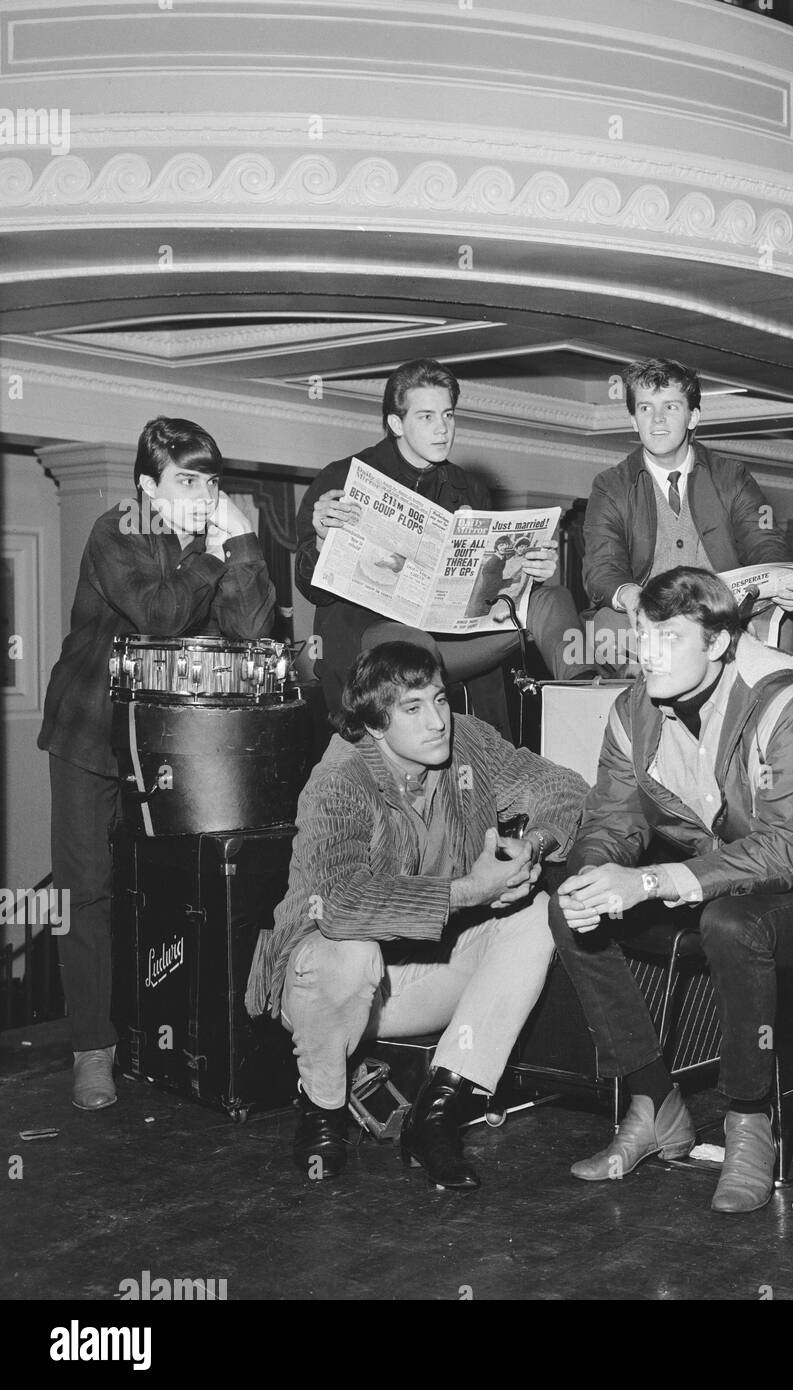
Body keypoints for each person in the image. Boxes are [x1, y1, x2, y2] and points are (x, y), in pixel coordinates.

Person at [549, 568, 793, 1213]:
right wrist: (591, 876)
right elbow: (612, 821)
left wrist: (646, 881)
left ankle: (749, 1121)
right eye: (641, 633)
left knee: (731, 923)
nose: (647, 652)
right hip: (712, 885)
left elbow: (786, 849)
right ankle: (654, 1102)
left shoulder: (787, 700)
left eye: (668, 635)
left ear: (719, 642)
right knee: (569, 907)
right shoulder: (632, 709)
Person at [244, 641, 589, 1185]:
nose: (437, 722)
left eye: (439, 700)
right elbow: (341, 905)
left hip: (421, 977)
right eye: (412, 708)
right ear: (375, 726)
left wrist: (535, 844)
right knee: (350, 953)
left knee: (536, 913)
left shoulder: (466, 743)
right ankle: (322, 1107)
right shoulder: (339, 781)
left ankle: (436, 1117)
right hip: (332, 983)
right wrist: (469, 890)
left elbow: (563, 786)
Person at [38, 417, 276, 1110]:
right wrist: (213, 550)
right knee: (86, 891)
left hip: (168, 740)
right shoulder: (116, 530)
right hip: (88, 731)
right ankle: (92, 1048)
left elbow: (250, 628)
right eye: (187, 480)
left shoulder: (210, 535)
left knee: (177, 891)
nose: (203, 493)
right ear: (148, 484)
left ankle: (163, 1036)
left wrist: (241, 541)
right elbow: (161, 615)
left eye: (210, 480)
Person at [297, 359, 595, 723]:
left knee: (553, 600)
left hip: (451, 636)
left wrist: (531, 574)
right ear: (396, 424)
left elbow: (493, 592)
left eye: (449, 415)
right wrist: (322, 541)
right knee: (415, 645)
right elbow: (312, 591)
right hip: (377, 643)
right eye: (426, 417)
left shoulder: (469, 488)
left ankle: (590, 707)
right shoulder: (343, 478)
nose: (443, 429)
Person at [582, 357, 793, 666]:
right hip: (648, 623)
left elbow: (765, 542)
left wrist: (781, 581)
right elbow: (601, 568)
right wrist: (630, 596)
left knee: (780, 619)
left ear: (693, 417)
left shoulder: (732, 477)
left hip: (719, 618)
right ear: (634, 420)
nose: (657, 420)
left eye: (671, 407)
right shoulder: (610, 487)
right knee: (607, 623)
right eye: (646, 408)